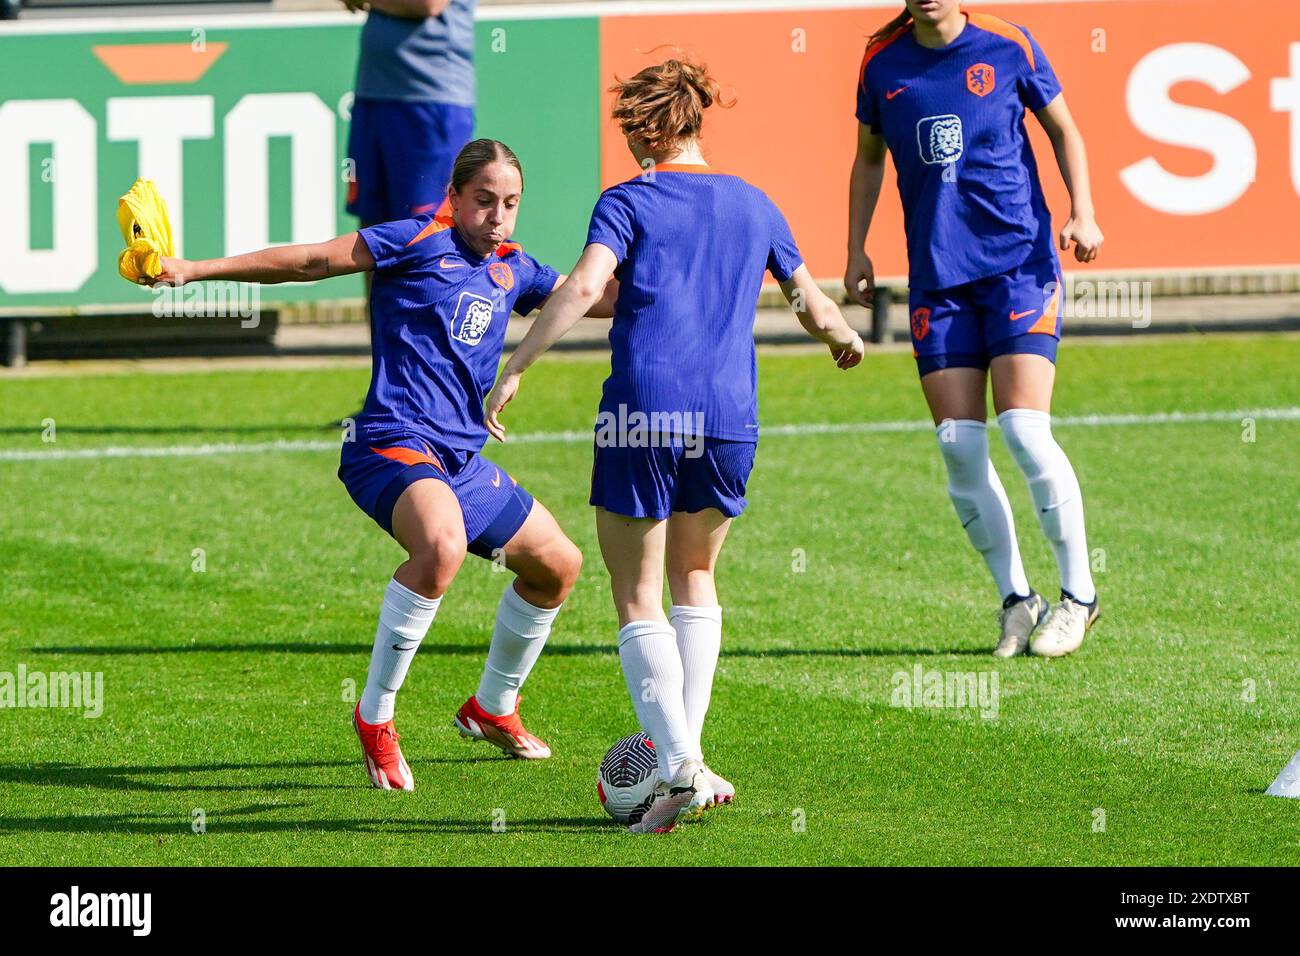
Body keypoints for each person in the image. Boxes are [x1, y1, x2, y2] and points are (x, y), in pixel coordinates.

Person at [147, 139, 616, 790]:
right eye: (483, 201)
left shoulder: (516, 267)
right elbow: (312, 261)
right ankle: (376, 718)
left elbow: (596, 297)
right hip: (389, 442)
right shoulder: (419, 238)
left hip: (458, 460)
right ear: (455, 197)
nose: (497, 217)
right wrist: (191, 270)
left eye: (510, 204)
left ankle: (491, 707)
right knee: (442, 546)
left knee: (557, 567)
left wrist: (663, 256)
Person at [484, 61, 865, 833]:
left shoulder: (630, 201)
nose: (625, 142)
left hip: (643, 411)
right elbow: (810, 299)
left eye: (629, 127)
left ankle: (681, 764)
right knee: (697, 578)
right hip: (730, 417)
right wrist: (844, 337)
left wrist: (517, 364)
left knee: (637, 594)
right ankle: (687, 760)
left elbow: (587, 286)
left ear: (651, 127)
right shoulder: (754, 203)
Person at [846, 0, 1103, 658]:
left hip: (1020, 264)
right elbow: (869, 159)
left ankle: (1079, 598)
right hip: (939, 276)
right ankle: (1019, 601)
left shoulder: (1010, 43)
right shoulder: (882, 61)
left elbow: (1067, 129)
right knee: (960, 447)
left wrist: (1084, 212)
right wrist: (855, 249)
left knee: (1023, 428)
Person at [339, 0, 479, 420]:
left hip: (430, 101)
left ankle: (433, 396)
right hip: (375, 97)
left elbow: (427, 4)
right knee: (374, 242)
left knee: (427, 244)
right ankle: (386, 394)